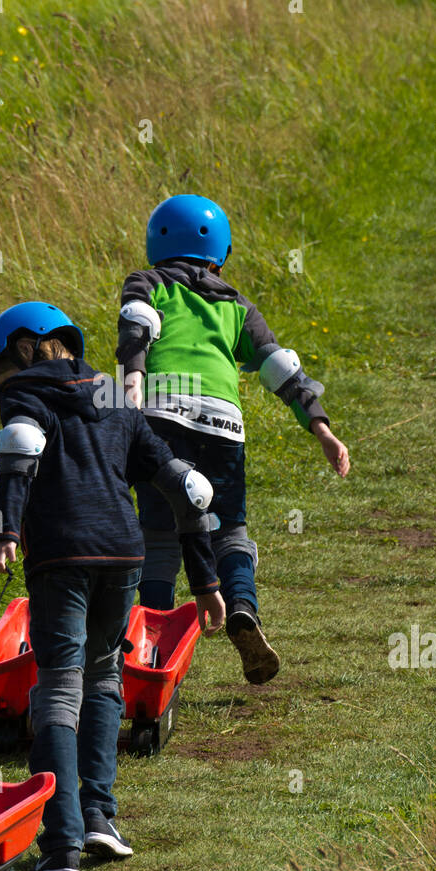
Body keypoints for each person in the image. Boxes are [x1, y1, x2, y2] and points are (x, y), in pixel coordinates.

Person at [0, 300, 225, 871]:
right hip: (122, 552)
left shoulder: (28, 391)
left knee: (58, 686)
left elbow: (18, 450)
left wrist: (4, 532)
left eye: (5, 377)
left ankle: (60, 848)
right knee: (105, 674)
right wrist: (207, 580)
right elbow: (185, 487)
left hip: (61, 555)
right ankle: (100, 818)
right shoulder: (115, 396)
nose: (8, 389)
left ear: (23, 348)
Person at [115, 194, 350, 685]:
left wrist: (133, 380)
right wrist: (321, 427)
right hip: (222, 428)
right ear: (219, 252)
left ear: (156, 243)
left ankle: (146, 652)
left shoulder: (149, 282)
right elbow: (279, 366)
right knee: (228, 532)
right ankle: (243, 607)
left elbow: (137, 323)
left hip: (161, 419)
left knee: (159, 539)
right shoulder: (236, 303)